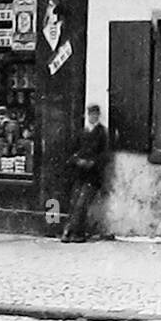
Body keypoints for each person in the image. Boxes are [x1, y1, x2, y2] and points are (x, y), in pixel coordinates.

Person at [62, 104, 109, 243]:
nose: (92, 117)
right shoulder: (81, 132)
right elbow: (71, 152)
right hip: (79, 173)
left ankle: (73, 232)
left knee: (82, 204)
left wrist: (92, 163)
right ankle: (72, 232)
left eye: (95, 114)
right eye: (90, 114)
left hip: (93, 175)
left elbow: (104, 155)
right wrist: (77, 160)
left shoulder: (102, 133)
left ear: (98, 116)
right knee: (75, 202)